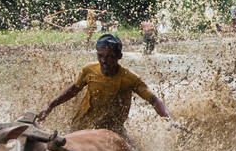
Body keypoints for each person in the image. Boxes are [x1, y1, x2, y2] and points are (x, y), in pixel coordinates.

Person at [37, 33, 175, 136]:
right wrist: (50, 106)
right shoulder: (89, 70)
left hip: (113, 130)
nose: (104, 61)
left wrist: (170, 120)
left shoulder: (130, 79)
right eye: (100, 56)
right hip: (82, 126)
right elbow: (73, 90)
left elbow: (154, 100)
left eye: (109, 57)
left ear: (119, 57)